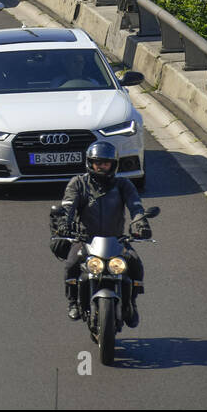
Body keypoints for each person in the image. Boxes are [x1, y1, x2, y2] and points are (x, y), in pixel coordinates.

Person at [53, 140, 150, 326]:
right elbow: (68, 206)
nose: (101, 167)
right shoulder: (78, 183)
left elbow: (136, 207)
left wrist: (140, 223)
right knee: (71, 264)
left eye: (106, 163)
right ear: (90, 163)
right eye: (98, 163)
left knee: (136, 264)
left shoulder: (124, 185)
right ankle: (73, 302)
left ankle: (132, 303)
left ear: (113, 165)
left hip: (117, 240)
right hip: (85, 240)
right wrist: (64, 222)